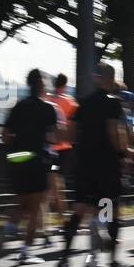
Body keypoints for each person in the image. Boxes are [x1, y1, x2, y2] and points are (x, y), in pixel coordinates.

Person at [58, 62, 134, 267]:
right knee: (110, 209)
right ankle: (111, 263)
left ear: (97, 78)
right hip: (106, 165)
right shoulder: (113, 103)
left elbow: (69, 135)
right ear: (111, 79)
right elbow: (114, 131)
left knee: (79, 208)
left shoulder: (83, 103)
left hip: (83, 164)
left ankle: (64, 259)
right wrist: (124, 153)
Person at [0, 70, 58, 264]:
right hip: (36, 159)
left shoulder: (18, 107)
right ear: (41, 86)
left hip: (16, 158)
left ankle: (8, 227)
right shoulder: (48, 109)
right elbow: (53, 137)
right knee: (35, 207)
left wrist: (16, 146)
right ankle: (25, 251)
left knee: (22, 203)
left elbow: (5, 134)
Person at [45, 73, 75, 226]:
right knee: (57, 184)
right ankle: (63, 219)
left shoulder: (48, 100)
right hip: (63, 149)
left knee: (54, 183)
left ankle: (61, 218)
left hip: (49, 147)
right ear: (65, 85)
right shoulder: (70, 102)